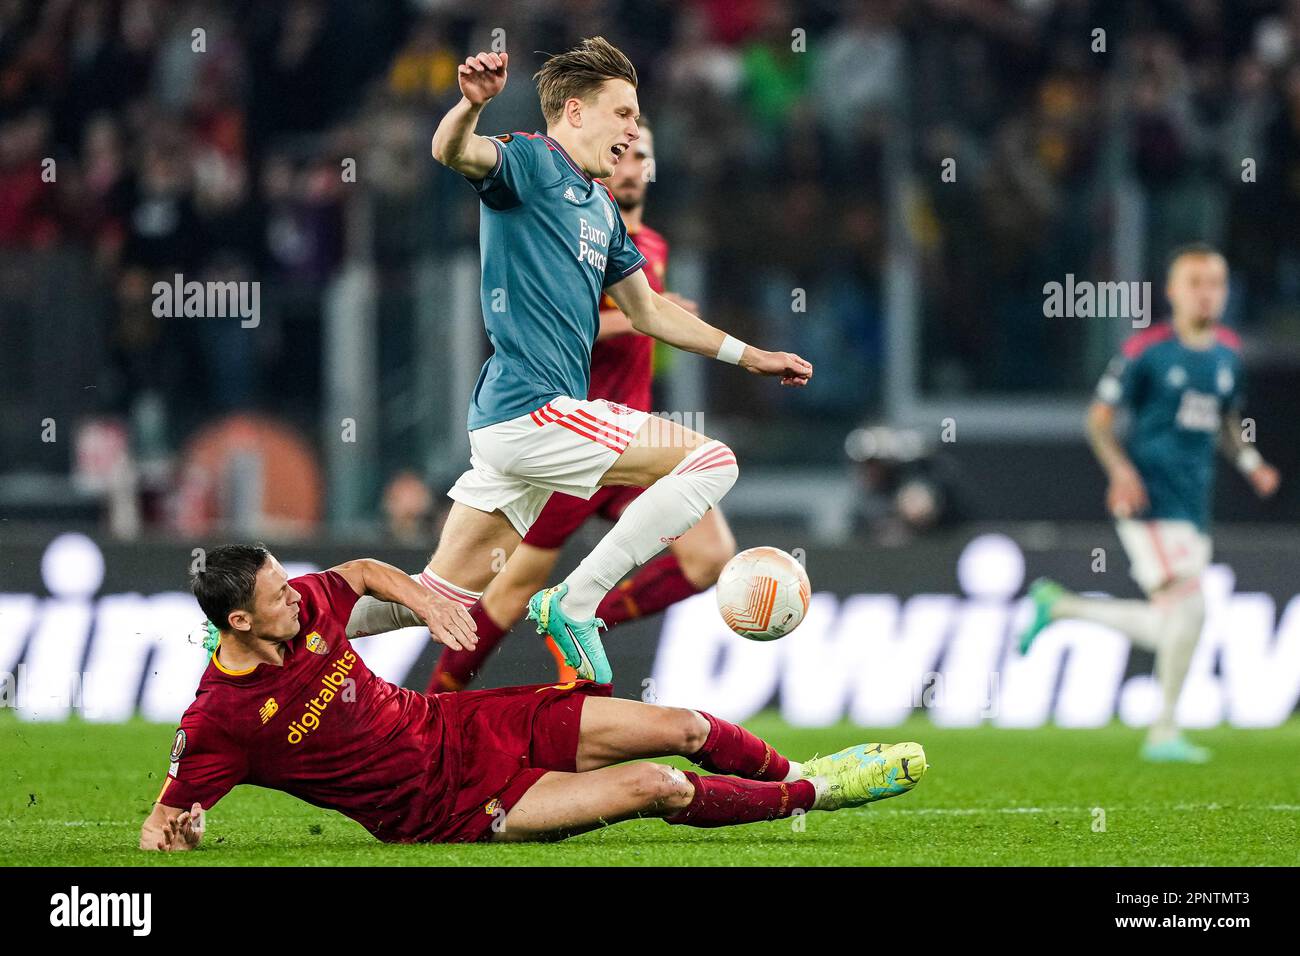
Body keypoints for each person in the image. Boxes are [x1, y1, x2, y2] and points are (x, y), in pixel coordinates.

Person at [344, 37, 812, 687]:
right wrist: (467, 107)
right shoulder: (534, 163)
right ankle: (577, 601)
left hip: (516, 427)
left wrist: (750, 355)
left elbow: (650, 312)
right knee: (711, 460)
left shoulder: (602, 212)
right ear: (574, 112)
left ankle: (270, 620)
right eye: (622, 113)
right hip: (536, 410)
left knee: (439, 593)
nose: (632, 130)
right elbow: (452, 151)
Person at [139, 545, 926, 850]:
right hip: (441, 807)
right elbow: (157, 828)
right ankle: (813, 793)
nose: (298, 600)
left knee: (682, 725)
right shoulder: (222, 720)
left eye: (289, 582)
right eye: (278, 597)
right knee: (659, 784)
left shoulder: (306, 605)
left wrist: (426, 600)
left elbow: (361, 573)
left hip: (464, 722)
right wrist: (182, 831)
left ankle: (793, 766)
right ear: (238, 622)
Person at [1018, 245, 1280, 763]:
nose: (1207, 293)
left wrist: (1252, 464)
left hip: (1192, 505)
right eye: (1196, 282)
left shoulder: (1228, 356)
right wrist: (1121, 470)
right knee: (1192, 605)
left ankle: (1061, 606)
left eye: (1216, 283)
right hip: (1148, 499)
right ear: (1173, 291)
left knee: (1175, 624)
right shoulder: (1147, 351)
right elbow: (1098, 418)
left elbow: (1227, 425)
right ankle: (1164, 730)